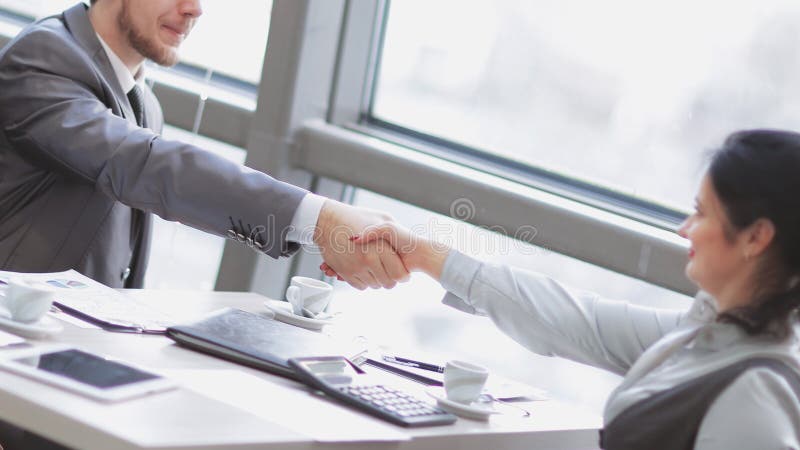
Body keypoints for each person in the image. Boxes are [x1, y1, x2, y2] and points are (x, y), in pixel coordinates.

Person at [339, 130, 800, 448]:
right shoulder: (708, 335)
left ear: (756, 237)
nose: (684, 229)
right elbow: (578, 321)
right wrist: (427, 256)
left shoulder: (754, 397)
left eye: (701, 213)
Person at [0, 0, 408, 291]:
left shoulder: (144, 104)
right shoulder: (42, 59)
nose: (195, 9)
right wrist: (320, 219)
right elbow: (144, 166)